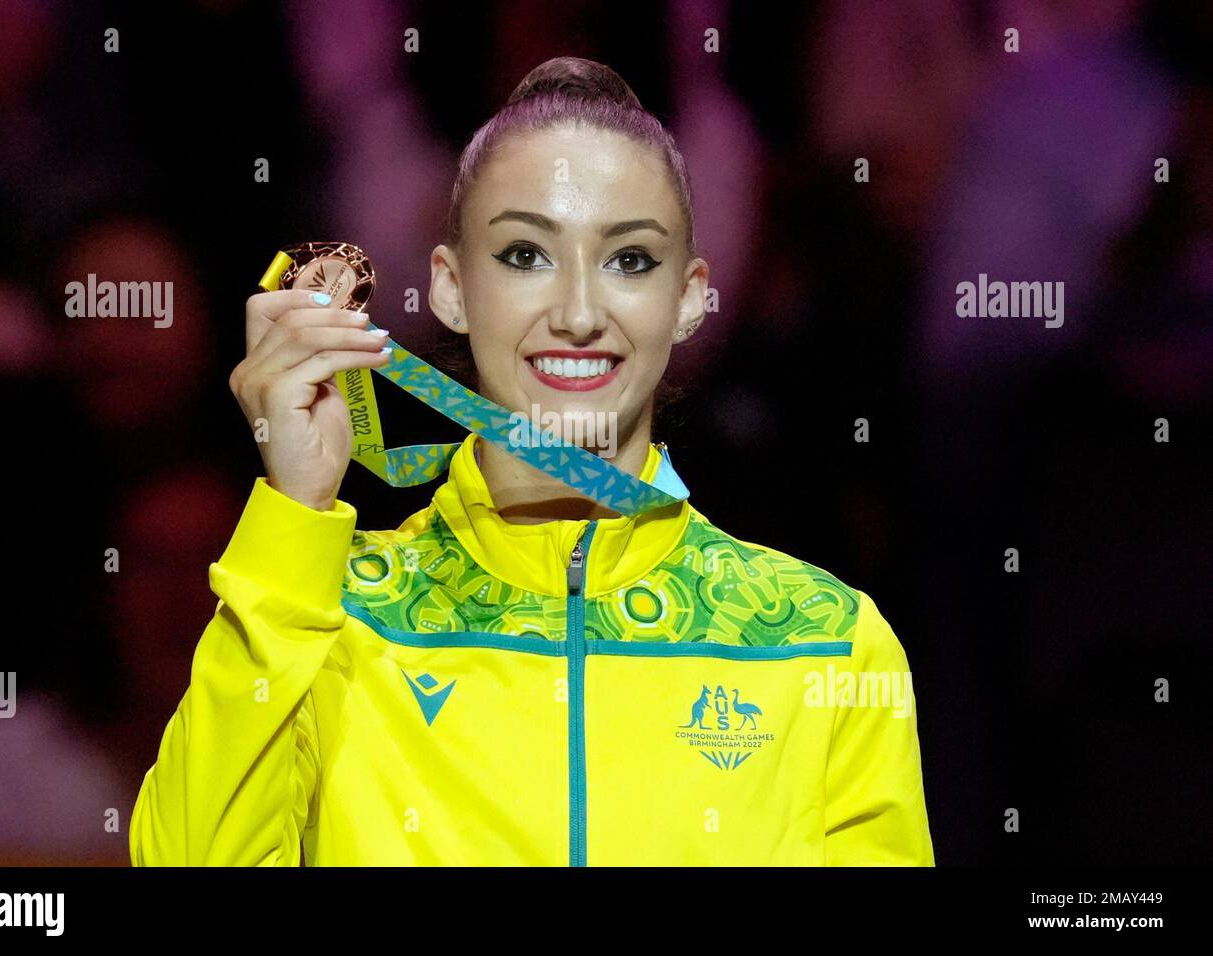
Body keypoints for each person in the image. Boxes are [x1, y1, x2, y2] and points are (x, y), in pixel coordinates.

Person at [128, 56, 934, 866]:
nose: (579, 313)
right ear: (448, 288)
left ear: (689, 299)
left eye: (629, 260)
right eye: (524, 255)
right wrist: (293, 517)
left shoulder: (825, 642)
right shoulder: (332, 619)